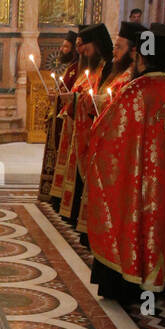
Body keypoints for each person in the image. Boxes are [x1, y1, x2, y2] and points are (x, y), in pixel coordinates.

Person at [85, 23, 165, 304]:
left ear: (143, 56)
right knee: (162, 221)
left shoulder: (136, 91)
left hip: (136, 181)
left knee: (132, 220)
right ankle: (158, 279)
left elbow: (106, 135)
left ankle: (128, 280)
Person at [59, 23, 113, 230]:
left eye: (86, 49)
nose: (81, 52)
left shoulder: (105, 68)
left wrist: (76, 99)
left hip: (94, 130)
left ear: (97, 46)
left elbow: (99, 98)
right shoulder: (90, 67)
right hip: (82, 127)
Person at [38, 31, 80, 204]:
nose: (62, 49)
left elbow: (72, 94)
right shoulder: (71, 67)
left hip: (67, 118)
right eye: (62, 46)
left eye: (66, 47)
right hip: (60, 114)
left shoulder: (76, 68)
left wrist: (60, 96)